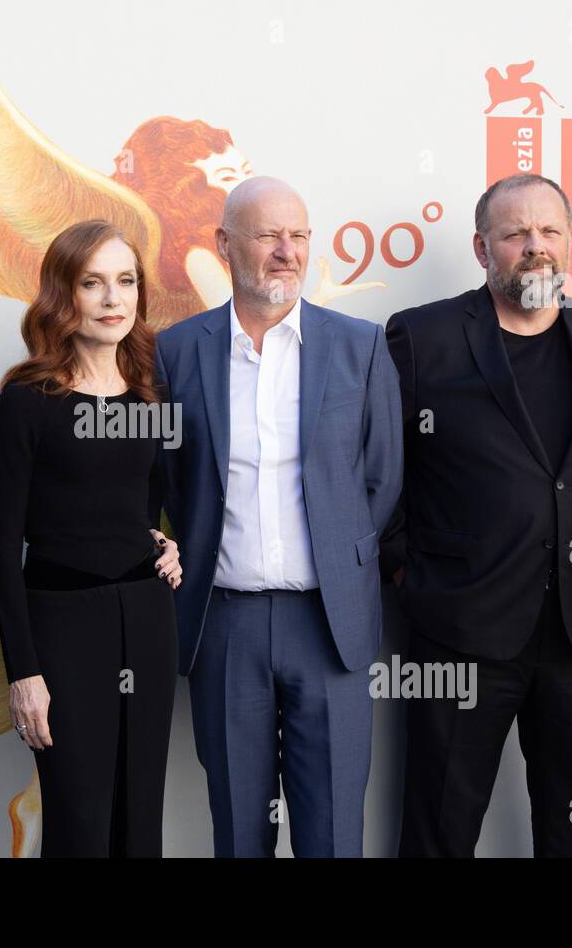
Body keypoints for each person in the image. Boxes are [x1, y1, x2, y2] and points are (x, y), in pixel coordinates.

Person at [383, 173, 572, 857]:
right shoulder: (423, 340)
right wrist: (409, 578)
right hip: (462, 632)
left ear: (569, 242)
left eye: (549, 232)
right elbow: (379, 476)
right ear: (484, 248)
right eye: (516, 234)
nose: (535, 247)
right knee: (437, 835)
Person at [155, 176, 403, 856]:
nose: (286, 251)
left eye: (298, 235)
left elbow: (380, 482)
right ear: (224, 244)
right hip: (225, 626)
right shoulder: (177, 353)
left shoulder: (361, 346)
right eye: (268, 234)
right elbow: (170, 480)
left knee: (331, 836)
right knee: (239, 831)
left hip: (331, 625)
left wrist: (336, 556)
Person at [0, 219, 183, 857]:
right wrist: (25, 673)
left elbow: (143, 506)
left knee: (138, 820)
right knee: (78, 826)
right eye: (91, 283)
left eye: (124, 281)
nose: (111, 299)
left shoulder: (151, 392)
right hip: (62, 633)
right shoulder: (26, 399)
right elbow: (2, 544)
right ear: (61, 295)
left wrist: (165, 544)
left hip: (147, 623)